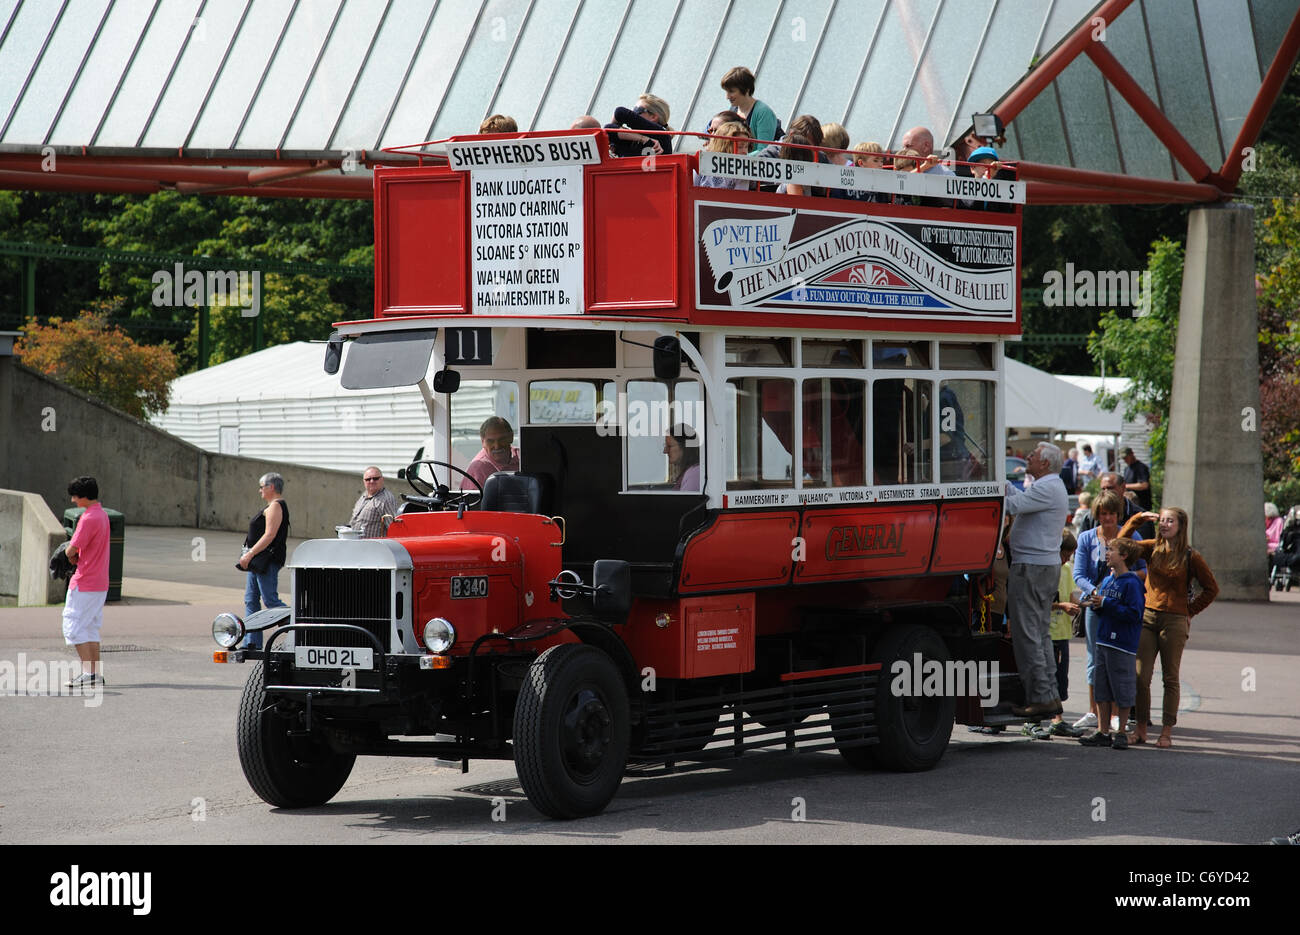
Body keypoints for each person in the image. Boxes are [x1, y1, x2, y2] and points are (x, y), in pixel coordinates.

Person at [1120, 507, 1219, 747]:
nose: (1164, 524)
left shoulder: (1190, 556)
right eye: (1162, 520)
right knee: (1140, 678)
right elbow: (1120, 545)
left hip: (1174, 621)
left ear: (1180, 526)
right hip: (1148, 617)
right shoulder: (1151, 546)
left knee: (1170, 678)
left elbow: (1211, 589)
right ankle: (1141, 729)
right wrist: (1137, 519)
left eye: (1169, 521)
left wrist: (1189, 611)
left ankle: (1166, 732)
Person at [1003, 441, 1069, 718]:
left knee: (1027, 635)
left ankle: (1040, 697)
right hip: (1041, 566)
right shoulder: (1052, 486)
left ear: (1045, 463)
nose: (1028, 457)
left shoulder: (1046, 487)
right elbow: (1018, 498)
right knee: (1040, 634)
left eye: (1033, 455)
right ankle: (1049, 695)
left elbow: (1011, 505)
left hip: (1031, 566)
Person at [1072, 490, 1145, 730]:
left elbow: (1143, 571)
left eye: (1112, 513)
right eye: (1103, 514)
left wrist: (1119, 583)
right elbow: (1078, 574)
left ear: (1118, 514)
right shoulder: (1086, 538)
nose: (1108, 518)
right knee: (1095, 658)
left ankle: (1115, 715)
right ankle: (1093, 711)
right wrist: (1096, 592)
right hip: (1095, 605)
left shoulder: (1130, 536)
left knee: (1118, 658)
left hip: (1121, 603)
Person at [1077, 537, 1146, 749]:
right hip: (1103, 640)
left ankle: (1122, 732)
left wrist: (1106, 603)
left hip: (1122, 644)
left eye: (1111, 550)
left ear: (1124, 556)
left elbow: (1135, 613)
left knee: (1122, 688)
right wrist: (1094, 605)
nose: (1107, 553)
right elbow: (1105, 606)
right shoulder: (1107, 581)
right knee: (1102, 688)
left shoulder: (1132, 583)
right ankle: (1102, 730)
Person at [63, 476, 110, 688]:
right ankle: (93, 673)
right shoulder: (102, 515)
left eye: (74, 496)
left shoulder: (88, 518)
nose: (73, 500)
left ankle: (88, 673)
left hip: (85, 580)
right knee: (90, 627)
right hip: (100, 582)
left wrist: (67, 553)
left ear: (83, 496)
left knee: (72, 626)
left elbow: (72, 549)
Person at [239, 472, 290, 649]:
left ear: (271, 487)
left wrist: (250, 554)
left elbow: (270, 535)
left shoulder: (276, 506)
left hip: (265, 560)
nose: (260, 490)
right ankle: (251, 642)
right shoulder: (271, 506)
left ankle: (297, 624)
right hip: (257, 562)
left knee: (270, 600)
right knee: (251, 600)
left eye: (262, 487)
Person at [1047, 529, 1081, 736]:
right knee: (1047, 676)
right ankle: (1051, 718)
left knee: (1061, 678)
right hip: (1047, 632)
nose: (1066, 560)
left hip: (1063, 632)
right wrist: (1061, 606)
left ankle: (1057, 717)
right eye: (1063, 555)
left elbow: (1070, 596)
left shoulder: (1066, 569)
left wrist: (1084, 604)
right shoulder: (1046, 569)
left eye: (1069, 556)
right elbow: (1041, 603)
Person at [720, 66, 779, 149]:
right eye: (726, 91)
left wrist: (741, 159)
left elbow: (763, 150)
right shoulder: (733, 110)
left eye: (731, 91)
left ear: (746, 89)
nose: (727, 97)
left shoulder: (763, 113)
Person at [605, 94, 674, 158]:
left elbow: (620, 112)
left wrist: (642, 139)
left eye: (637, 110)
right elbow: (608, 129)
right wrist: (643, 139)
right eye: (632, 110)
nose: (633, 114)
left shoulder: (662, 136)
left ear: (653, 117)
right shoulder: (636, 139)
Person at [463, 416, 520, 490]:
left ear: (511, 437)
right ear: (482, 442)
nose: (497, 446)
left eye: (502, 439)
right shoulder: (478, 468)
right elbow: (471, 501)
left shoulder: (522, 457)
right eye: (490, 441)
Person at [693, 120, 753, 189]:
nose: (745, 151)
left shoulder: (743, 171)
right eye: (740, 147)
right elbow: (692, 187)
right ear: (724, 146)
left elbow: (739, 196)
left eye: (746, 147)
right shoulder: (703, 162)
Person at [349, 466, 399, 538]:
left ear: (382, 479)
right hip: (357, 545)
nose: (372, 481)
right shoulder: (363, 496)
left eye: (375, 478)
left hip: (373, 547)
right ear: (364, 481)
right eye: (368, 479)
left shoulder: (386, 499)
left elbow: (393, 530)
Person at [1121, 447, 1154, 536]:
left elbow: (1144, 485)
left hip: (1142, 506)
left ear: (1132, 454)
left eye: (1126, 457)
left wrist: (1125, 486)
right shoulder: (1127, 469)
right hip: (1130, 507)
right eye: (1123, 458)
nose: (1125, 460)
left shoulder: (1141, 467)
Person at [664, 425, 701, 491]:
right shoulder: (690, 471)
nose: (665, 451)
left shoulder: (694, 473)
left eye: (669, 446)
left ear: (685, 447)